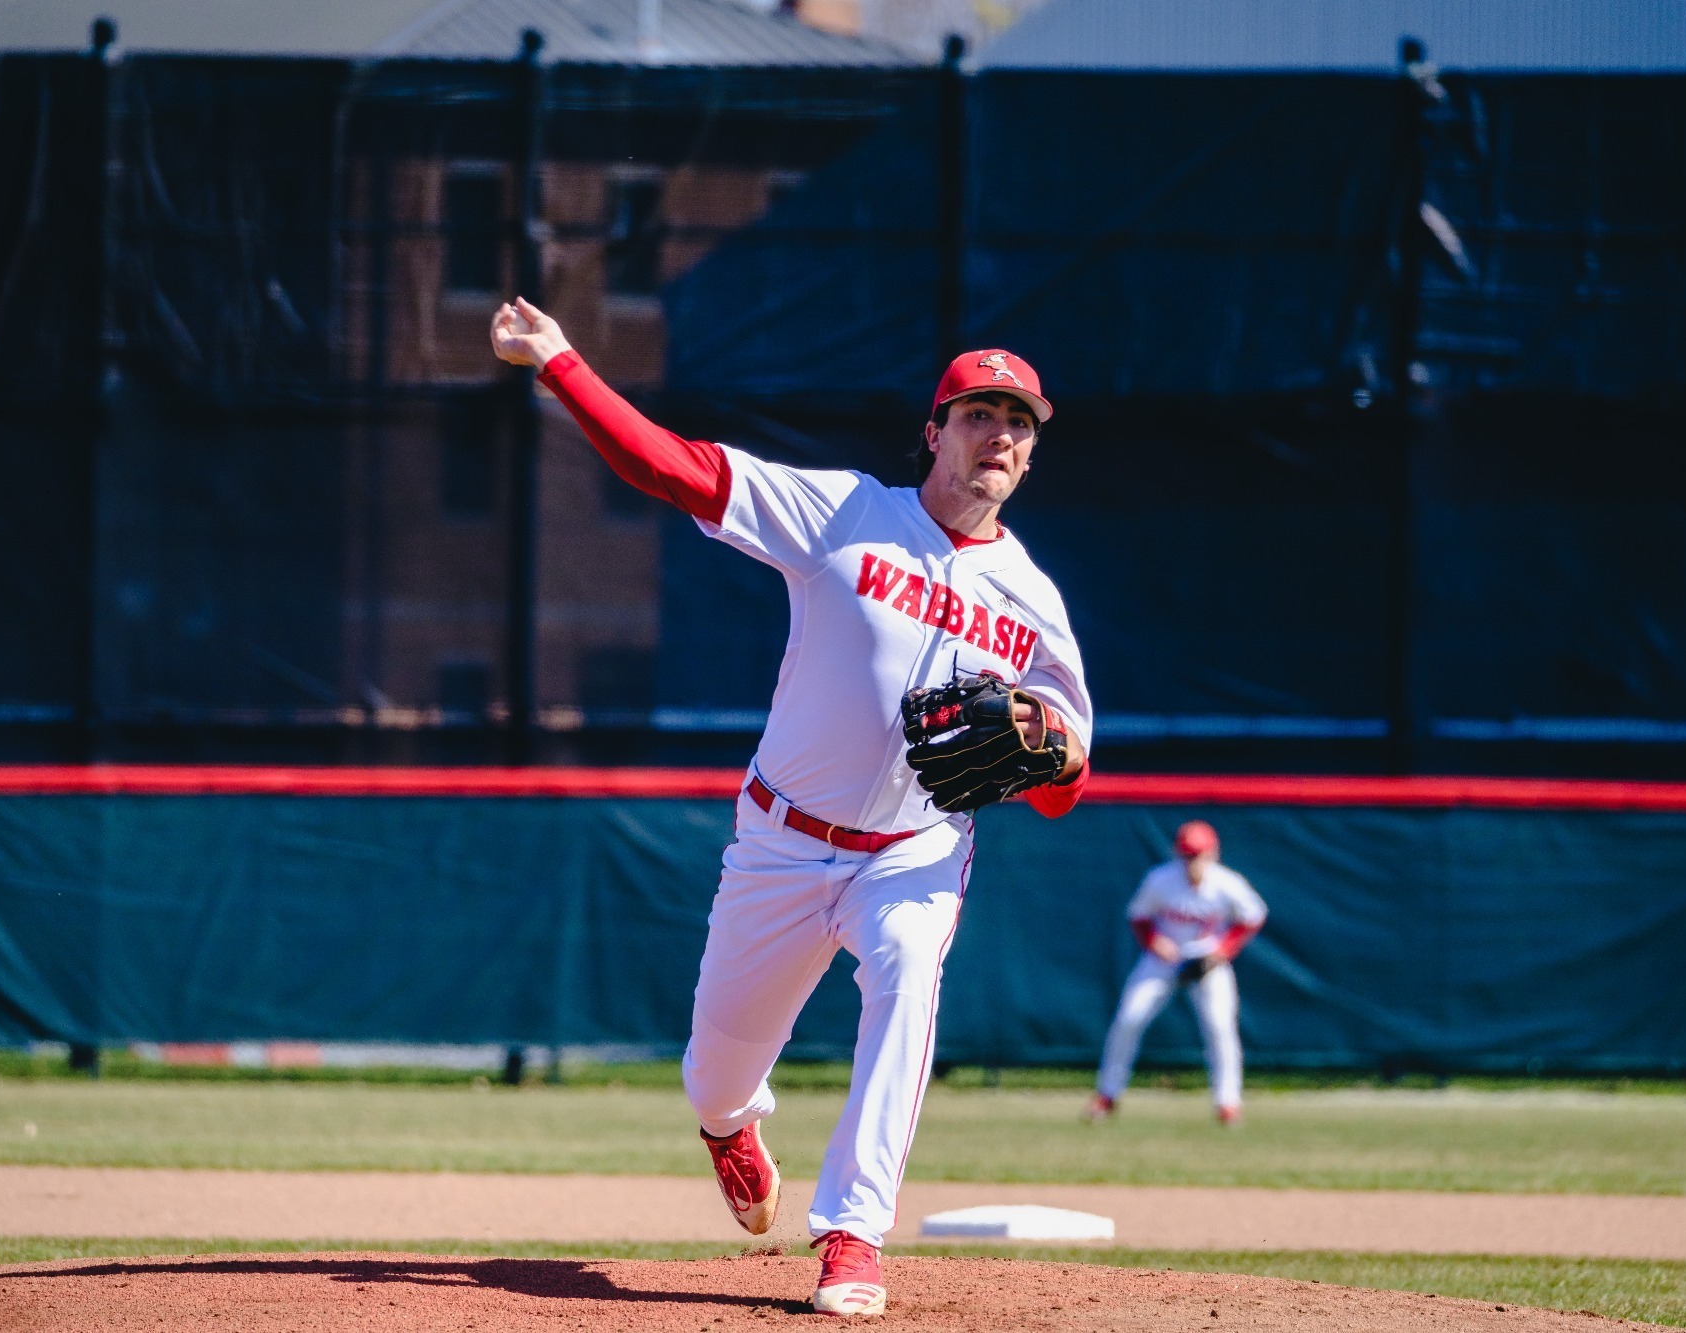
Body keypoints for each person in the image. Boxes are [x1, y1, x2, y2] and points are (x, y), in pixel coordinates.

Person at [492, 298, 1092, 1317]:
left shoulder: (1032, 600)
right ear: (934, 430)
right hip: (780, 841)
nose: (999, 435)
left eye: (1018, 422)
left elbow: (1066, 785)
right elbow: (673, 469)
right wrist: (561, 364)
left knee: (907, 974)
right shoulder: (846, 514)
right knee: (713, 1077)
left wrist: (1049, 753)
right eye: (979, 414)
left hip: (913, 849)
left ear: (1030, 454)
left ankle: (853, 1234)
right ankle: (732, 1127)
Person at [1087, 819, 1266, 1125]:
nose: (1193, 862)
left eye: (1199, 855)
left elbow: (1253, 915)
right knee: (1130, 1017)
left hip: (1207, 962)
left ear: (1213, 854)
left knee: (1220, 1027)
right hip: (1163, 959)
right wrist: (1154, 941)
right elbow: (1139, 916)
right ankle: (1107, 1094)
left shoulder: (1227, 883)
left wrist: (1223, 950)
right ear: (1178, 854)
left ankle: (1228, 1102)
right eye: (1188, 855)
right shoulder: (1161, 880)